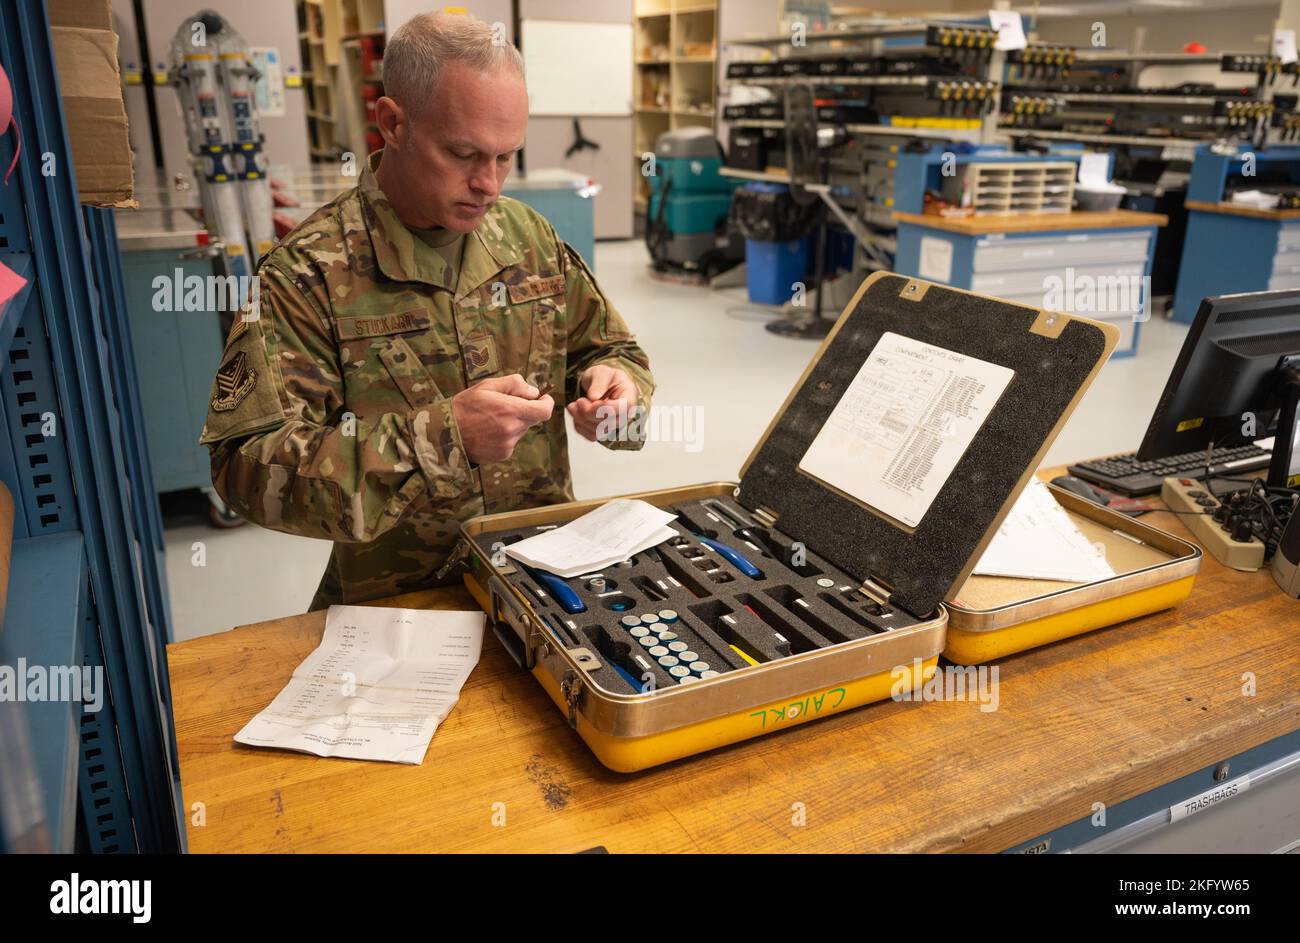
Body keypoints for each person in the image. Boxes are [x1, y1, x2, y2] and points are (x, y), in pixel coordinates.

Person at [199, 12, 654, 609]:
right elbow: (247, 473)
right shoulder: (308, 273)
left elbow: (612, 353)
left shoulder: (528, 237)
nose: (489, 184)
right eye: (463, 153)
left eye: (506, 156)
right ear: (392, 123)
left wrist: (620, 401)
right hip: (402, 607)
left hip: (541, 587)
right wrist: (441, 437)